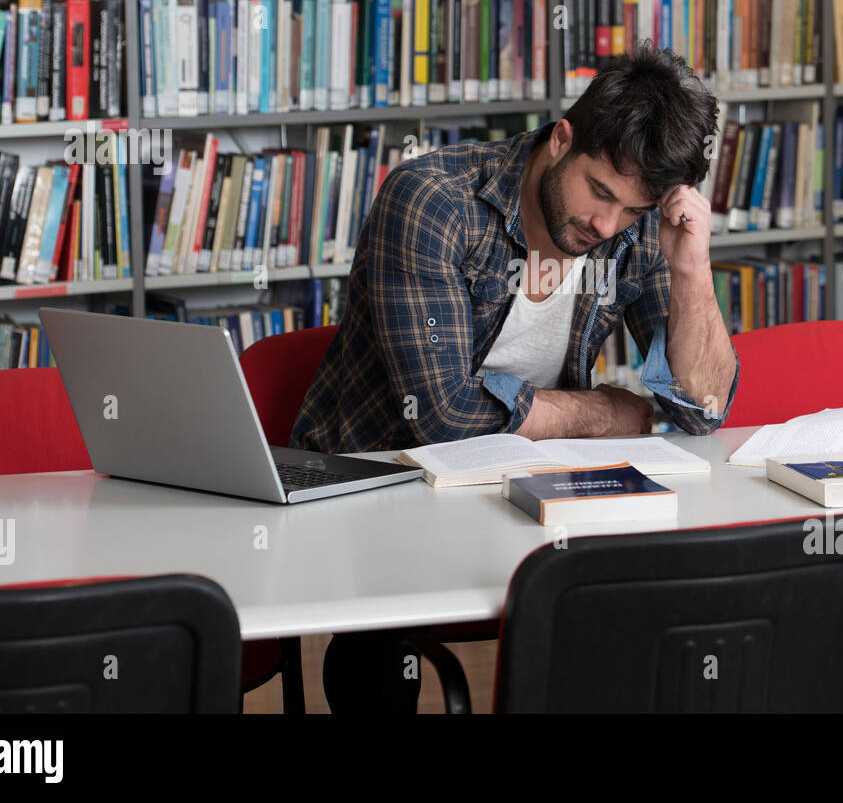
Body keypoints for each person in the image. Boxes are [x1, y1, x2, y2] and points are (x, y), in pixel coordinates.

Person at [290, 42, 740, 712]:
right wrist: (603, 413)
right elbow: (440, 418)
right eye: (600, 193)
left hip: (535, 477)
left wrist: (691, 268)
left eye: (633, 212)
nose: (604, 225)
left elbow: (703, 406)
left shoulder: (637, 226)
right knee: (385, 650)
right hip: (383, 475)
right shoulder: (433, 202)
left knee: (647, 602)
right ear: (561, 140)